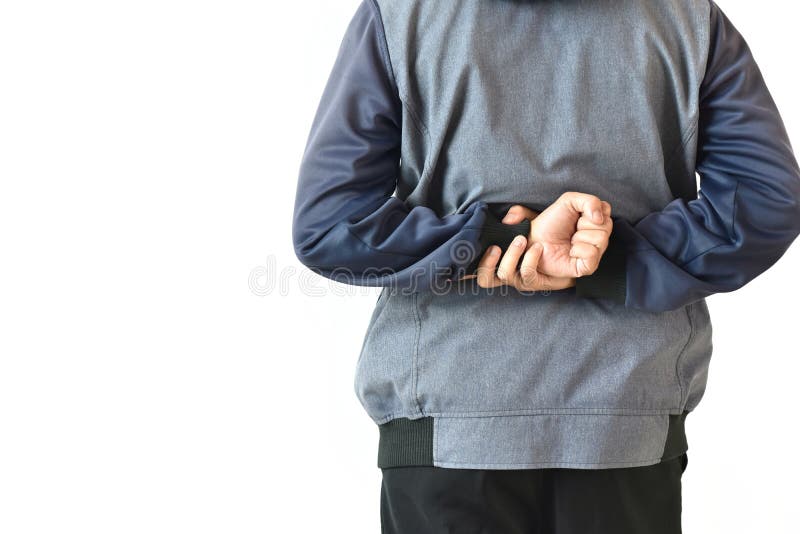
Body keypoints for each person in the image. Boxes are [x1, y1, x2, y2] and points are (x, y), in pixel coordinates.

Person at [291, 0, 800, 532]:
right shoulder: (689, 20)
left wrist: (500, 241)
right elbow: (762, 204)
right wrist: (605, 260)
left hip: (447, 418)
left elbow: (333, 223)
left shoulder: (401, 15)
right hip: (625, 420)